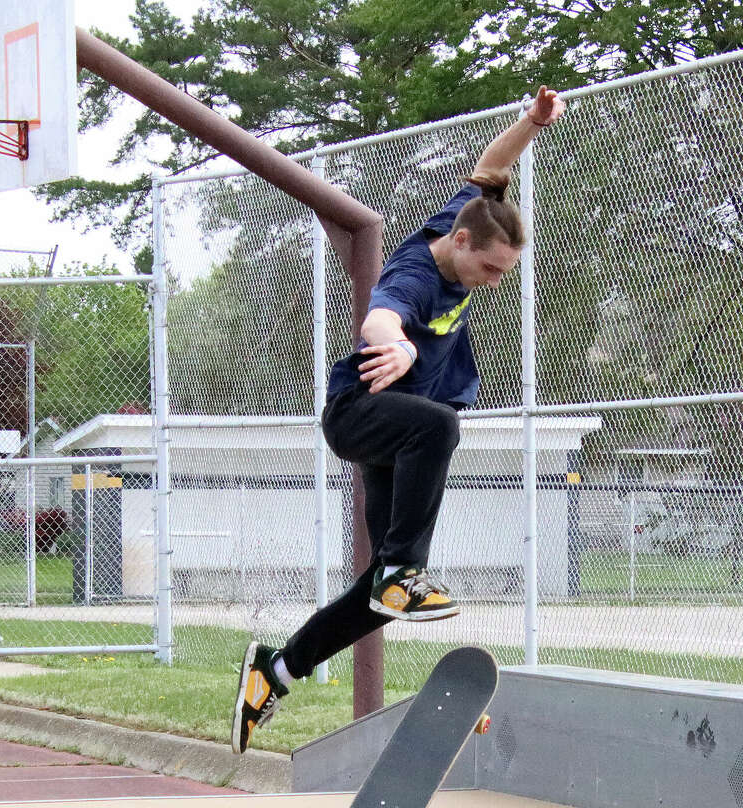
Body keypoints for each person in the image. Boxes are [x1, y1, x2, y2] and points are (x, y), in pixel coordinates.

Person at [232, 85, 566, 754]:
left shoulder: (466, 218)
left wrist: (529, 122)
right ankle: (402, 573)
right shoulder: (415, 274)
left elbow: (490, 168)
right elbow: (380, 312)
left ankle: (275, 672)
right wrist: (399, 341)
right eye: (490, 269)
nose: (494, 282)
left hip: (395, 430)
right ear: (460, 242)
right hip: (359, 416)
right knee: (438, 427)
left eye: (504, 272)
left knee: (373, 594)